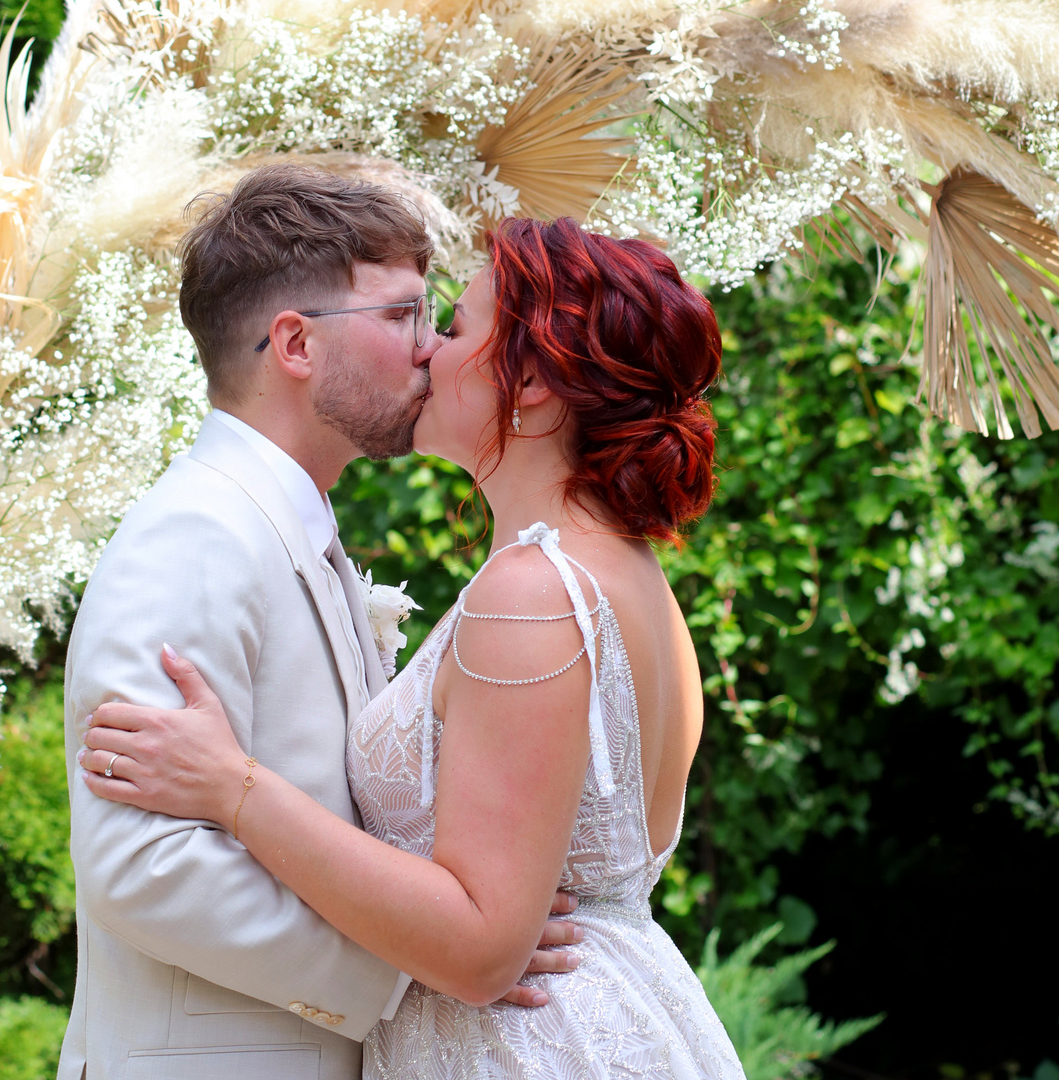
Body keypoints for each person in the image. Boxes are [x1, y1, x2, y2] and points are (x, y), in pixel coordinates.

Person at [78, 215, 748, 1078]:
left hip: (526, 1043)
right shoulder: (630, 580)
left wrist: (234, 788)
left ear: (535, 381)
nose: (428, 352)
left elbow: (478, 948)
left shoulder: (536, 591)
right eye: (413, 322)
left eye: (455, 326)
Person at [57, 165, 579, 1080]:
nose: (430, 348)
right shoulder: (195, 534)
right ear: (295, 345)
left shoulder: (288, 526)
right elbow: (142, 868)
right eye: (403, 314)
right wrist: (417, 966)